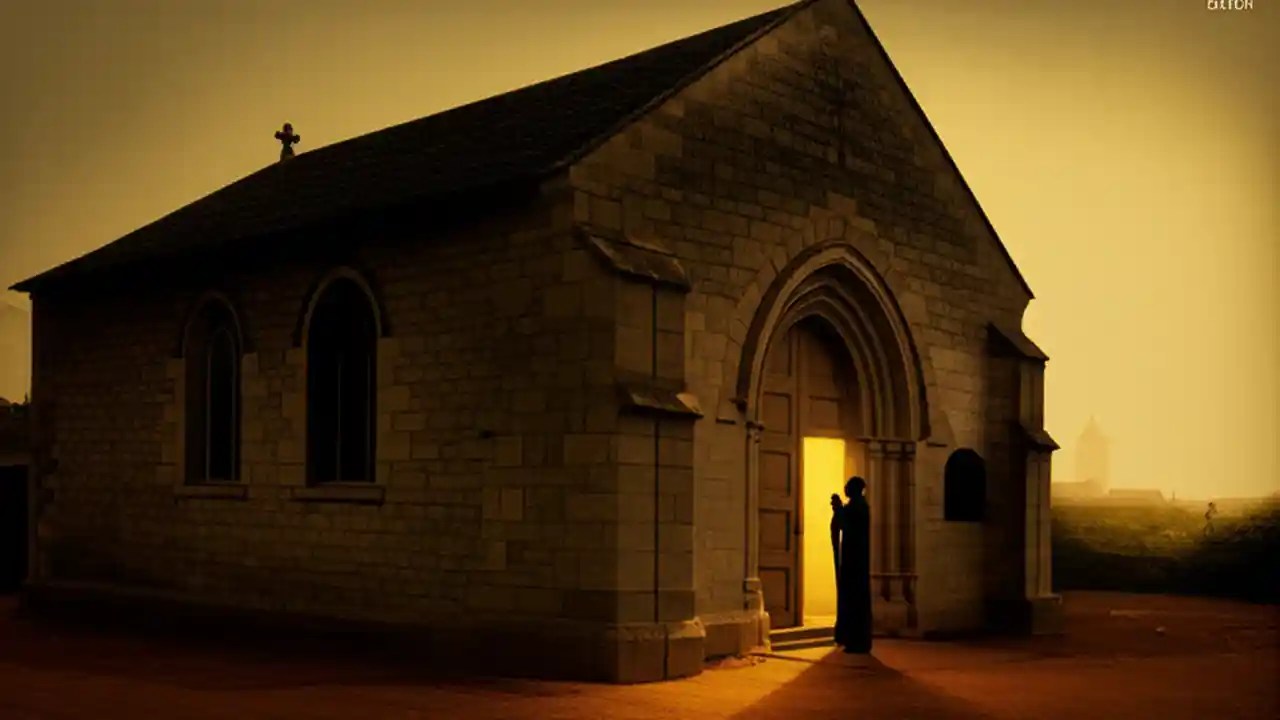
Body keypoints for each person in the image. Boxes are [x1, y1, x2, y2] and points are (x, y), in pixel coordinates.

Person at [831, 476, 873, 653]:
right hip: (852, 558)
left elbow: (845, 524)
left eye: (848, 487)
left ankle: (856, 639)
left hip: (855, 560)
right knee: (851, 597)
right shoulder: (856, 507)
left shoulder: (859, 508)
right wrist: (839, 509)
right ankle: (850, 637)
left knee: (854, 598)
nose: (846, 489)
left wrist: (839, 510)